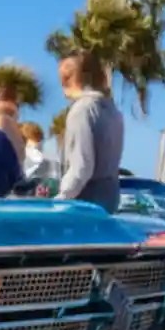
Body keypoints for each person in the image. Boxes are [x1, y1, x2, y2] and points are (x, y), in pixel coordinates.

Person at [55, 52, 125, 212]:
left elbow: (82, 166)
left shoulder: (82, 110)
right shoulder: (112, 111)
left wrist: (61, 199)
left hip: (86, 203)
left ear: (66, 78)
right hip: (110, 198)